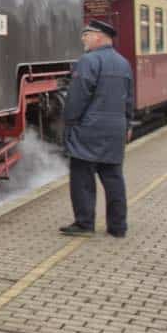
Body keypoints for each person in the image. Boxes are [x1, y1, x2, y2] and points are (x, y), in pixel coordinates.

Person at [59, 19, 134, 238]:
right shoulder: (123, 63)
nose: (83, 38)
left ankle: (84, 224)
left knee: (82, 177)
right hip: (115, 128)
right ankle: (118, 226)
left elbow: (78, 95)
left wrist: (70, 120)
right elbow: (128, 99)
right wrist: (128, 124)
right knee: (113, 178)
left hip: (89, 129)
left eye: (87, 34)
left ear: (99, 37)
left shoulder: (88, 61)